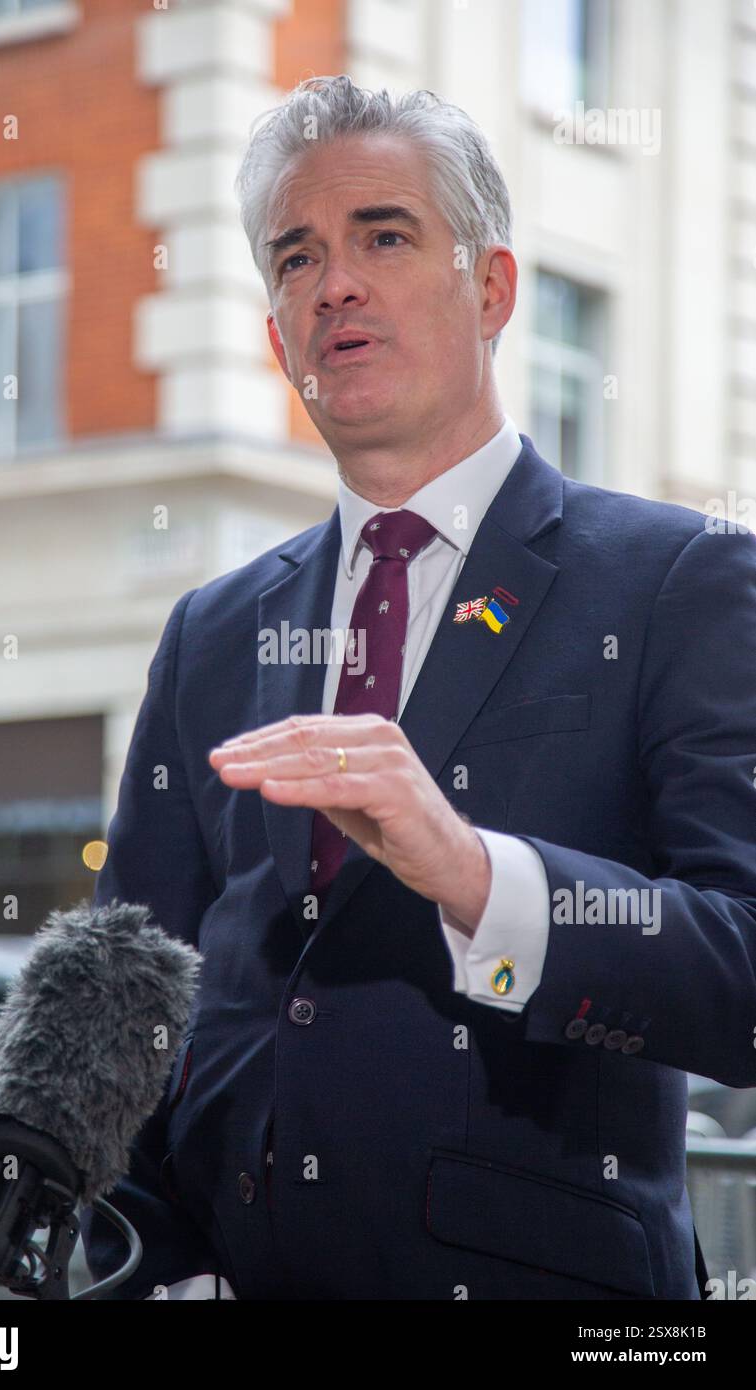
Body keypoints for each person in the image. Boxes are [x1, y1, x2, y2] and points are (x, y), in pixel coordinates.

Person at [81, 75, 756, 1300]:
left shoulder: (680, 581)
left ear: (490, 288)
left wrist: (473, 872)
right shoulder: (212, 633)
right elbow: (132, 989)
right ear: (276, 333)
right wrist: (147, 1268)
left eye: (382, 236)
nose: (333, 281)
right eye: (295, 257)